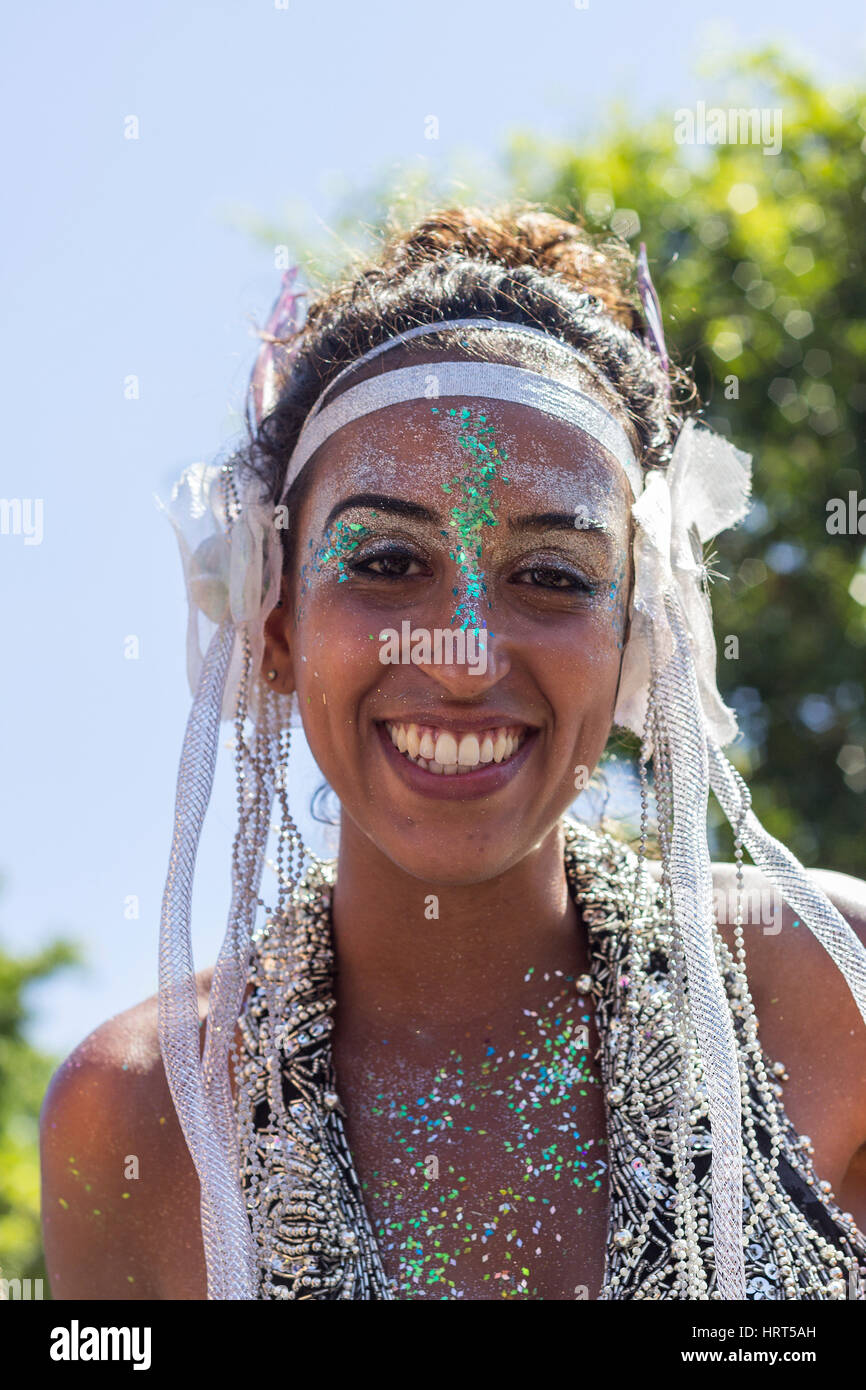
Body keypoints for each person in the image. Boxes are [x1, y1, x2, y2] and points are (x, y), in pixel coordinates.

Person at [40, 205, 866, 1301]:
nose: (466, 655)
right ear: (273, 620)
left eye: (553, 575)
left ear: (641, 632)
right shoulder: (138, 1112)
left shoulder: (830, 991)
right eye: (386, 561)